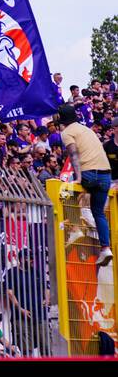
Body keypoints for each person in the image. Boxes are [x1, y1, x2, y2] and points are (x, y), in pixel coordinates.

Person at [59, 103, 113, 267]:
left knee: (65, 191)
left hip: (89, 174)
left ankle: (75, 230)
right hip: (106, 175)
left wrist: (79, 178)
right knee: (99, 213)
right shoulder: (86, 129)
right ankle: (105, 248)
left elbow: (74, 154)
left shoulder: (67, 132)